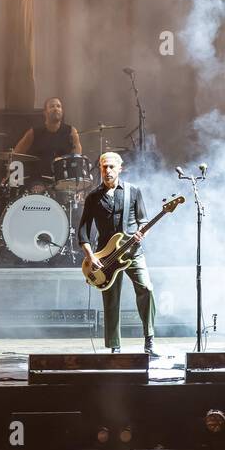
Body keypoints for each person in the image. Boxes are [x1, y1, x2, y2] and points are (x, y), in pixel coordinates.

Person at [79, 152, 157, 356]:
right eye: (104, 167)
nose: (108, 171)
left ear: (120, 168)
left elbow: (143, 220)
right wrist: (91, 256)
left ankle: (149, 341)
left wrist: (143, 233)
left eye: (112, 167)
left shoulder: (133, 191)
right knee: (111, 300)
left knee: (146, 289)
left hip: (133, 252)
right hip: (105, 256)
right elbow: (83, 232)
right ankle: (115, 347)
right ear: (100, 169)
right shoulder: (93, 197)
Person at [12, 97, 83, 189]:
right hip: (38, 180)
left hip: (63, 180)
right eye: (52, 106)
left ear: (62, 111)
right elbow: (16, 155)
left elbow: (77, 157)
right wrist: (9, 176)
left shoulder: (71, 131)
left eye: (58, 106)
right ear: (45, 112)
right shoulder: (34, 132)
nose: (56, 108)